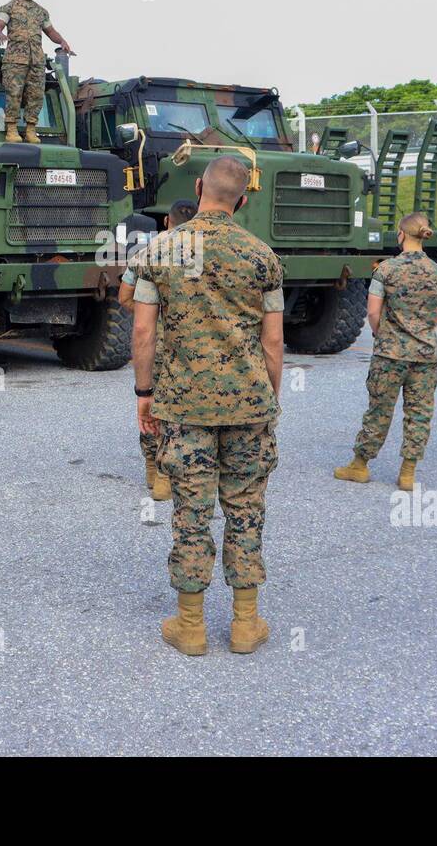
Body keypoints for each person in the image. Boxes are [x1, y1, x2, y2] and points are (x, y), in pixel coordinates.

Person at [133, 157, 283, 657]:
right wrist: (269, 400)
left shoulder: (162, 250)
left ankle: (191, 626)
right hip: (249, 406)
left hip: (182, 406)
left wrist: (143, 393)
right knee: (245, 510)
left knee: (190, 513)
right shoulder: (262, 256)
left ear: (198, 188)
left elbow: (142, 332)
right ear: (243, 199)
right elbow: (274, 342)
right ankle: (244, 624)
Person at [334, 212, 437, 491]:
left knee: (379, 410)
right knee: (419, 412)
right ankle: (408, 472)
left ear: (401, 235)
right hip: (425, 354)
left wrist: (381, 333)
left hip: (390, 353)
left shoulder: (386, 269)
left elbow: (373, 311)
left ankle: (360, 465)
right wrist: (419, 330)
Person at [118, 199, 198, 502]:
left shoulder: (146, 252)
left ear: (167, 221)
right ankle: (167, 476)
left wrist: (148, 313)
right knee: (180, 407)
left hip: (153, 340)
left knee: (149, 400)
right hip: (188, 344)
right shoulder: (200, 250)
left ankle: (152, 466)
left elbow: (124, 295)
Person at [0, 0, 74, 145]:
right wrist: (0, 33)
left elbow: (51, 31)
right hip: (15, 60)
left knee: (36, 95)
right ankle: (12, 129)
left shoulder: (41, 12)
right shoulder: (9, 7)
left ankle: (31, 129)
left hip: (36, 61)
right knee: (14, 94)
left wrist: (62, 41)